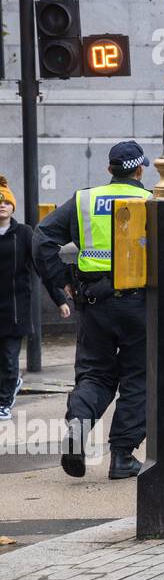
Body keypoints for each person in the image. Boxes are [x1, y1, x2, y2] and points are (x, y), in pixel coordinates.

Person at [36, 141, 153, 480]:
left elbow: (42, 238)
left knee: (95, 374)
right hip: (138, 305)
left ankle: (78, 428)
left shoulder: (84, 200)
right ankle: (122, 456)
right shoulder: (151, 202)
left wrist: (60, 284)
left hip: (94, 305)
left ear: (109, 170)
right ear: (140, 169)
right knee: (138, 378)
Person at [0, 178, 71, 422]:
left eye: (7, 202)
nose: (2, 206)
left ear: (13, 207)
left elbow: (43, 268)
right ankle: (12, 384)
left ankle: (4, 401)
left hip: (15, 310)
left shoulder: (24, 234)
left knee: (9, 361)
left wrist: (59, 298)